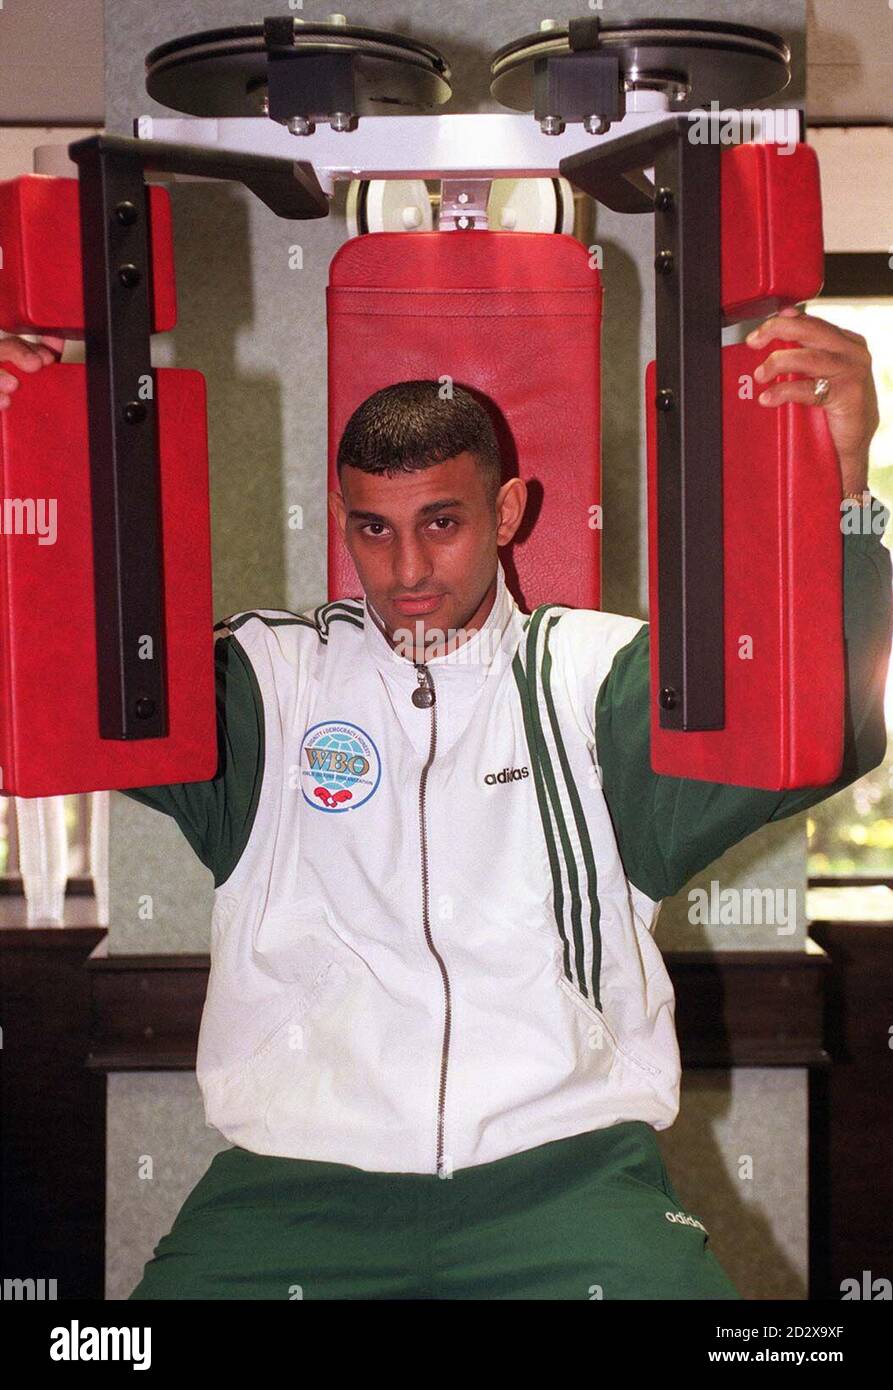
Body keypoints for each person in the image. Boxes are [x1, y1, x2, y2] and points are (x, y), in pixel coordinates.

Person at [1, 310, 889, 1300]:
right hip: (292, 1190)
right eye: (372, 528)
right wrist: (23, 472)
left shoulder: (597, 681)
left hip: (566, 1181)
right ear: (340, 518)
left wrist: (845, 486)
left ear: (507, 510)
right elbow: (51, 687)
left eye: (441, 522)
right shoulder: (271, 684)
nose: (407, 571)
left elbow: (822, 730)